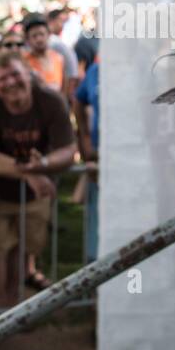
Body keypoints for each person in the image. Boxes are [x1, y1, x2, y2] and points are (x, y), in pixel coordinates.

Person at [0, 50, 76, 304]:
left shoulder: (50, 102)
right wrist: (28, 173)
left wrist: (45, 164)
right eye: (2, 79)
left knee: (21, 254)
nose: (10, 83)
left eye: (15, 74)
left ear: (29, 73)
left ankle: (14, 310)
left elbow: (69, 150)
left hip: (34, 197)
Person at [72, 51, 100, 262]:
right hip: (99, 161)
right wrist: (85, 139)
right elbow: (78, 100)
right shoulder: (96, 71)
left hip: (135, 163)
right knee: (96, 219)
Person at [21, 15, 65, 94]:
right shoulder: (23, 61)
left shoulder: (58, 58)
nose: (39, 39)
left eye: (42, 34)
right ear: (28, 40)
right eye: (34, 36)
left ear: (48, 35)